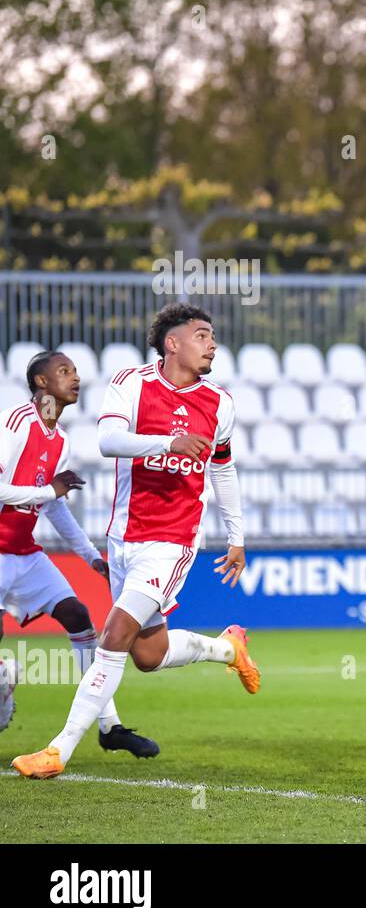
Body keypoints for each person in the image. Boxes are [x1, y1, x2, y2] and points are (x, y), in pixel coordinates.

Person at [11, 305, 259, 780]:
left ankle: (58, 751)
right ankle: (229, 650)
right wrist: (167, 443)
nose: (212, 343)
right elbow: (108, 441)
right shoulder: (132, 382)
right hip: (123, 537)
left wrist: (237, 537)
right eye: (202, 335)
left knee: (115, 634)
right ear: (173, 343)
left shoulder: (220, 403)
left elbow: (222, 468)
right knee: (148, 655)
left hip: (172, 540)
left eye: (212, 336)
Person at [0, 351, 158, 757]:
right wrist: (48, 491)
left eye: (75, 371)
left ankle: (110, 726)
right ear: (40, 382)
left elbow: (53, 507)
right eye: (64, 371)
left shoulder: (61, 441)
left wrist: (91, 557)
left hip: (24, 553)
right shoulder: (16, 423)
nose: (76, 378)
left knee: (79, 616)